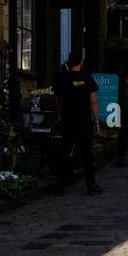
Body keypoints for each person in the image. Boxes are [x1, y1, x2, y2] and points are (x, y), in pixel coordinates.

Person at [54, 53, 103, 195]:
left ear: (69, 62)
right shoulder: (86, 77)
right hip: (84, 120)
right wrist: (96, 122)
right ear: (80, 62)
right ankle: (91, 185)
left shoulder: (61, 77)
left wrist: (57, 115)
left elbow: (57, 100)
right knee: (87, 152)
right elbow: (93, 102)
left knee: (64, 151)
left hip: (68, 120)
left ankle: (61, 185)